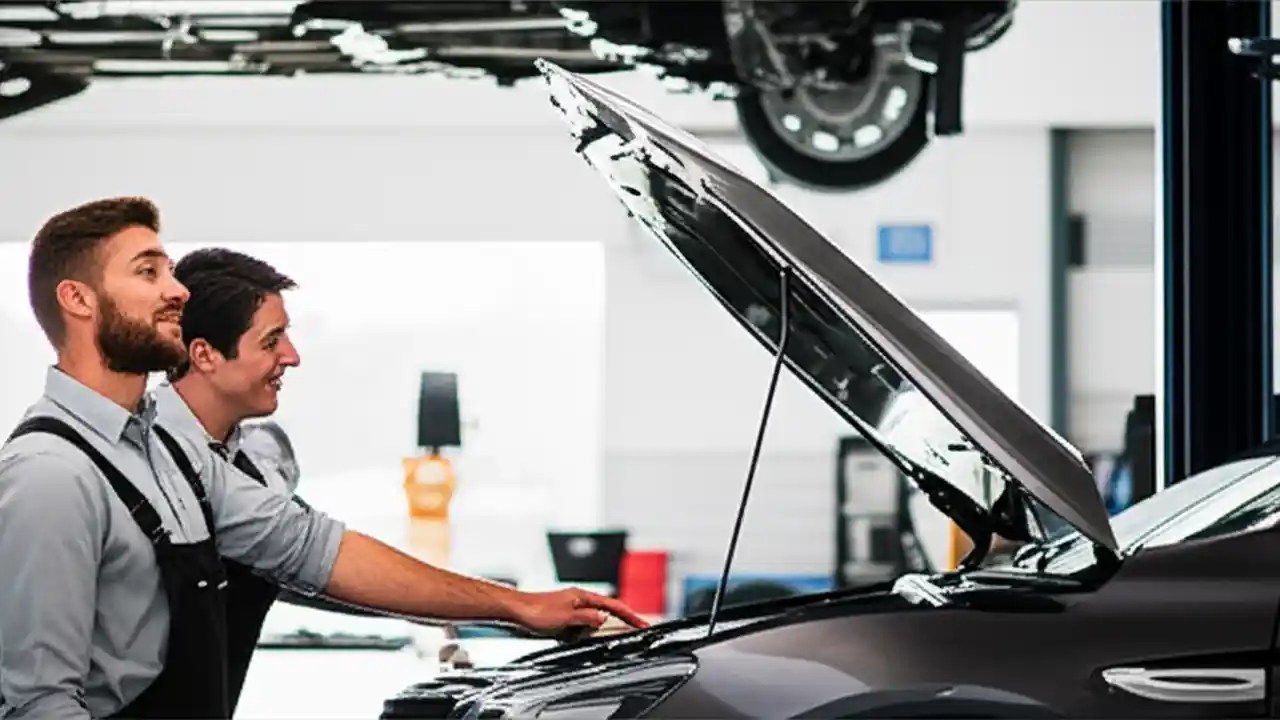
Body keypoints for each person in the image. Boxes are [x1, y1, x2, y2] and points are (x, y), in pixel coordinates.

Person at [0, 197, 647, 720]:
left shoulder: (169, 458)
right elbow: (41, 703)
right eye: (148, 272)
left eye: (170, 271)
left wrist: (517, 606)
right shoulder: (52, 477)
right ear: (78, 300)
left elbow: (317, 551)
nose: (175, 290)